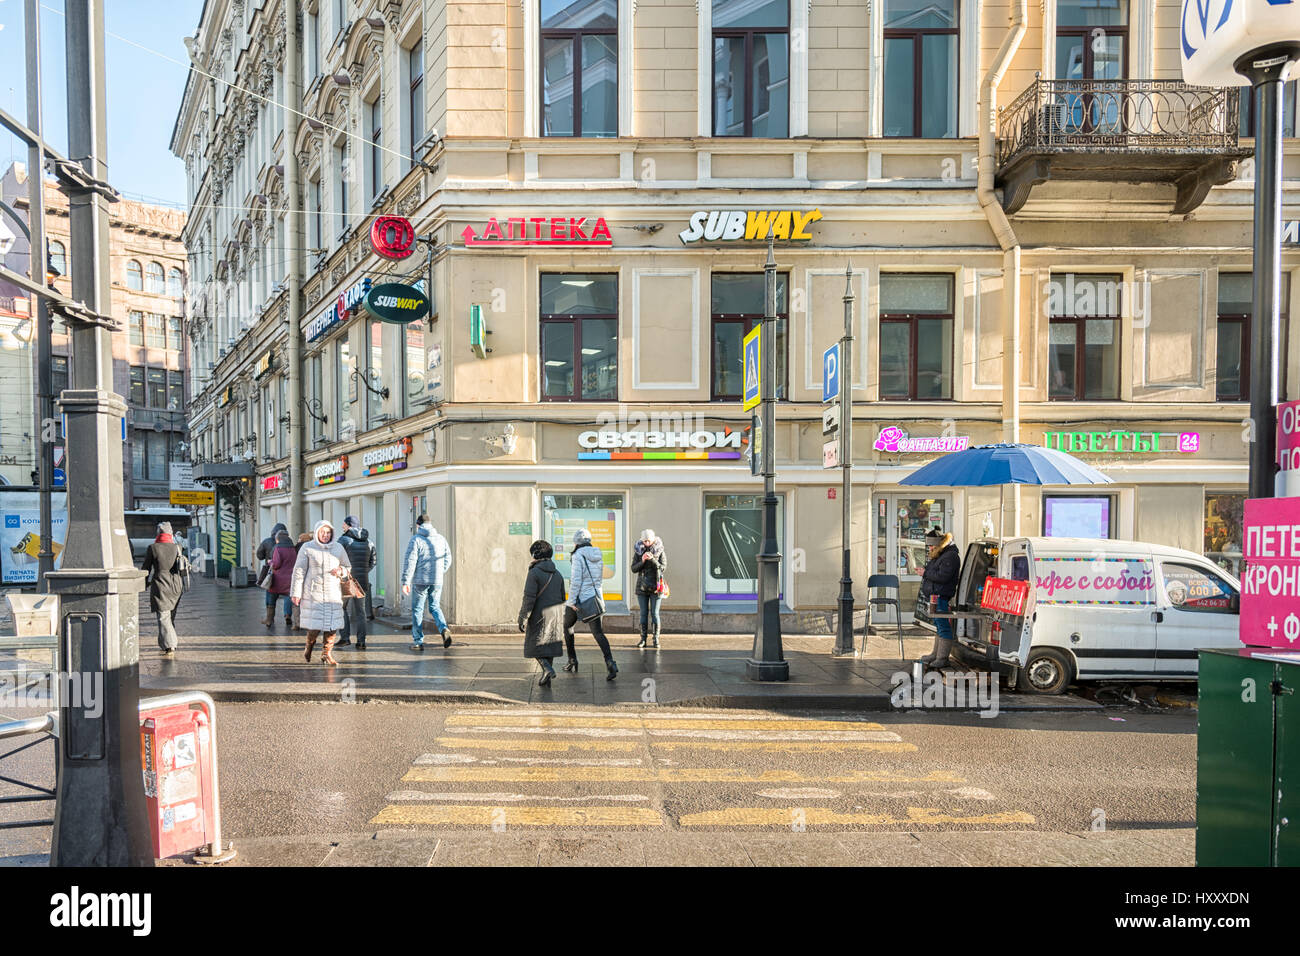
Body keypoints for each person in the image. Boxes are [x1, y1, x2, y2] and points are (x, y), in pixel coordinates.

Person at [291, 519, 352, 666]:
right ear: (317, 532)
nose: (325, 535)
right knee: (315, 626)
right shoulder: (307, 547)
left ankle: (327, 654)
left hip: (333, 593)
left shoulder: (338, 548)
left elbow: (347, 566)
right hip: (314, 593)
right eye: (323, 532)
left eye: (328, 532)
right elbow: (299, 571)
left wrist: (341, 570)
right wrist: (296, 593)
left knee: (332, 626)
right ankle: (309, 645)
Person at [563, 528, 617, 680]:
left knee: (567, 627)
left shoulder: (578, 555)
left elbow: (576, 581)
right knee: (598, 633)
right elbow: (597, 579)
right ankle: (610, 663)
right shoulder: (597, 554)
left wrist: (571, 601)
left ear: (576, 542)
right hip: (594, 599)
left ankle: (572, 659)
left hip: (580, 599)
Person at [517, 539, 566, 686]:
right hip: (555, 614)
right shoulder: (557, 574)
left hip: (539, 615)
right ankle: (547, 679)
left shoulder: (534, 573)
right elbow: (563, 597)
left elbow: (529, 598)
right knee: (549, 647)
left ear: (535, 555)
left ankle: (546, 668)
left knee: (535, 645)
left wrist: (522, 618)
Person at [401, 514, 453, 652]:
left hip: (420, 581)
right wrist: (440, 572)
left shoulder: (416, 540)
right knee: (435, 607)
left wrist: (406, 581)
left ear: (418, 525)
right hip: (437, 580)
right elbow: (448, 557)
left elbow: (410, 562)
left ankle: (418, 641)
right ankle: (444, 628)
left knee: (418, 610)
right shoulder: (441, 539)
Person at [141, 522, 188, 659]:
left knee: (163, 617)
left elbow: (146, 568)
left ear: (158, 533)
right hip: (176, 586)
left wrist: (144, 583)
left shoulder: (153, 548)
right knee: (169, 616)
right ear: (170, 533)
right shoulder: (178, 547)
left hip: (160, 585)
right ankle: (165, 643)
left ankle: (170, 644)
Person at [919, 528, 962, 670]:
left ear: (939, 543)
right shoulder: (942, 554)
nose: (930, 548)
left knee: (943, 626)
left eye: (932, 545)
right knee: (939, 626)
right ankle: (935, 654)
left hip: (941, 595)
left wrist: (925, 572)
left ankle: (942, 658)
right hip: (935, 595)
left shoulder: (950, 556)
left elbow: (942, 577)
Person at [338, 515, 376, 649]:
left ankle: (344, 637)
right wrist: (364, 571)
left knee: (341, 608)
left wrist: (344, 573)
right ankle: (361, 641)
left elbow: (336, 558)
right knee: (361, 612)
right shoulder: (369, 541)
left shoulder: (343, 540)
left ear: (349, 525)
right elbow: (373, 562)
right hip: (363, 581)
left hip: (347, 580)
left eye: (344, 524)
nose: (342, 526)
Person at [631, 529, 667, 649]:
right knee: (643, 613)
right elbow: (633, 568)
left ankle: (656, 639)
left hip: (656, 587)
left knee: (655, 613)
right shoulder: (638, 551)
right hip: (641, 587)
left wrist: (652, 559)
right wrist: (642, 561)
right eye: (644, 540)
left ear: (653, 539)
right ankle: (643, 639)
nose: (647, 543)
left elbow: (663, 567)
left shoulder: (660, 549)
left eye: (649, 540)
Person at [263, 530, 297, 628]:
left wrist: (270, 562)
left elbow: (276, 564)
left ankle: (269, 620)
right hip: (290, 578)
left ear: (278, 538)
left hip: (278, 579)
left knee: (271, 597)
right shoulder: (292, 548)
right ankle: (289, 617)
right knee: (289, 597)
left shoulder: (278, 548)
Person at [256, 522, 287, 587]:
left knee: (270, 591)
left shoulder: (266, 541)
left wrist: (268, 556)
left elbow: (260, 556)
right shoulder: (288, 542)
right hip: (285, 572)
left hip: (271, 571)